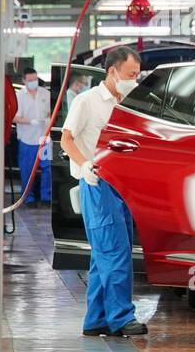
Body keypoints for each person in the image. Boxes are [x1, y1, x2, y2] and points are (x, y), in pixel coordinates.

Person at [61, 46, 147, 337]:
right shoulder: (88, 101)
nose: (134, 80)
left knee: (102, 255)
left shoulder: (130, 103)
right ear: (112, 71)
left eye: (137, 75)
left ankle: (96, 319)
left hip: (123, 187)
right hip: (99, 185)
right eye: (130, 74)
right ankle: (122, 317)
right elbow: (66, 138)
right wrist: (84, 164)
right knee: (115, 251)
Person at [14, 66, 52, 205]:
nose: (33, 82)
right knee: (27, 170)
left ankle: (46, 196)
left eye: (35, 79)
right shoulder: (19, 96)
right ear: (24, 80)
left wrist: (48, 119)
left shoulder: (45, 94)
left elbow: (50, 112)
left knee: (48, 167)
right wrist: (31, 121)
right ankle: (28, 197)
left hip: (45, 138)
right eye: (30, 80)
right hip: (27, 139)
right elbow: (14, 118)